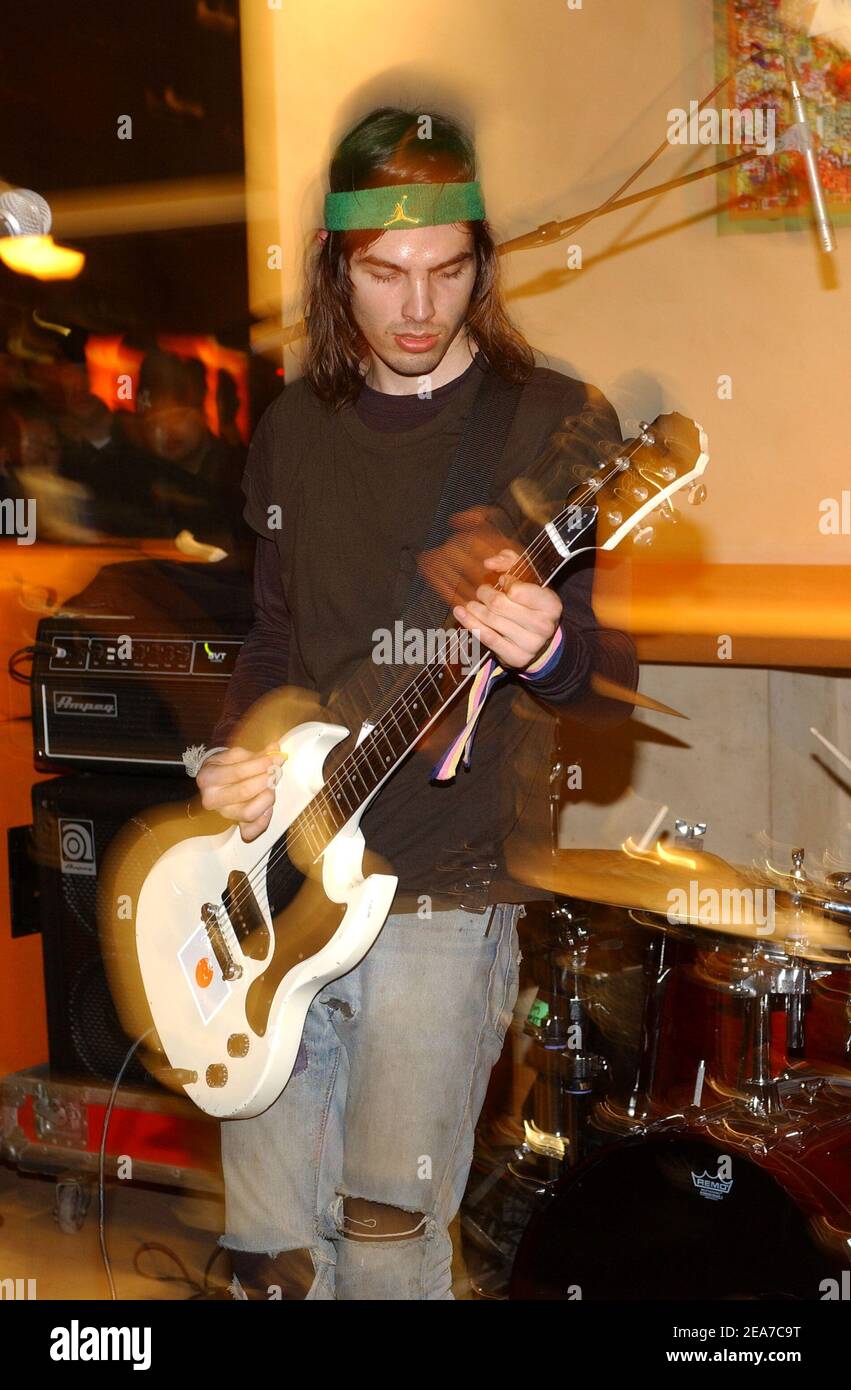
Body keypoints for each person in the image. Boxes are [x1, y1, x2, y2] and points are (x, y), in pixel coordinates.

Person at [194, 106, 638, 1300]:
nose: (415, 306)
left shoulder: (548, 420)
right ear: (336, 271)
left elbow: (607, 679)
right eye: (383, 273)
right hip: (288, 866)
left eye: (445, 272)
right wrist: (235, 754)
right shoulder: (292, 428)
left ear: (480, 265)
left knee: (387, 1250)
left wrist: (547, 646)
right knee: (272, 1251)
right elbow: (277, 638)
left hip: (443, 888)